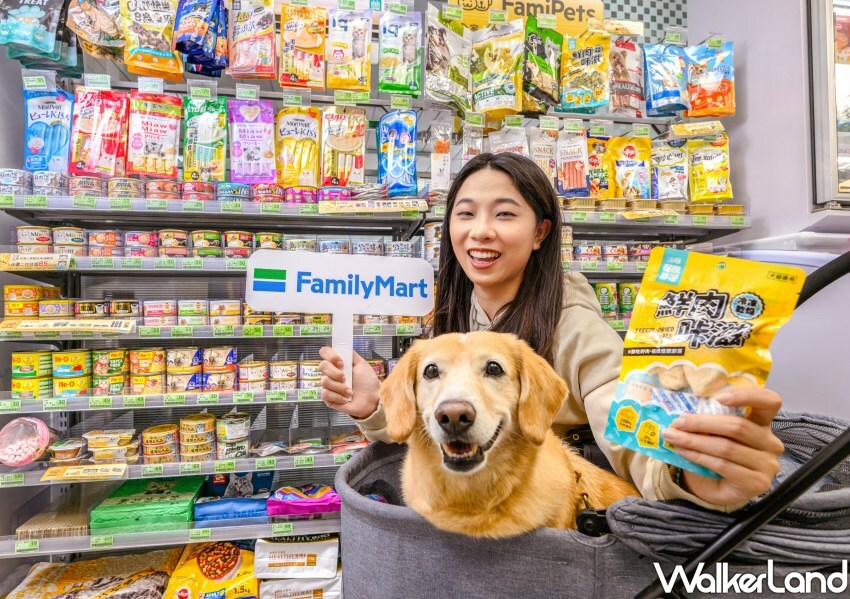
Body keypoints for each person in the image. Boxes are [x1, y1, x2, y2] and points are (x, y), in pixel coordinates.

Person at [319, 152, 784, 510]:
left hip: (553, 530)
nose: (480, 232)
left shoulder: (574, 326)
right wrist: (372, 407)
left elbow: (621, 413)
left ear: (540, 232)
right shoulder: (453, 319)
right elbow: (444, 426)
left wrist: (691, 474)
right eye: (465, 214)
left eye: (504, 214)